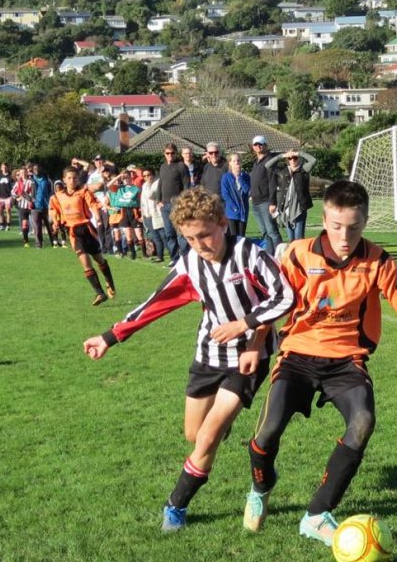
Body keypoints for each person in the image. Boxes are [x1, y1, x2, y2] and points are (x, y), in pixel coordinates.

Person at [243, 180, 397, 544]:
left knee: (363, 421)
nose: (345, 236)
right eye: (337, 226)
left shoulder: (378, 261)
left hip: (347, 362)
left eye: (354, 227)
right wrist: (254, 345)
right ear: (324, 219)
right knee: (267, 431)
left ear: (366, 221)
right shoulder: (297, 254)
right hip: (297, 355)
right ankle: (261, 488)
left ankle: (317, 514)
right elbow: (272, 306)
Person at [83, 189, 295, 532]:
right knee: (194, 434)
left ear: (223, 223)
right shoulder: (190, 265)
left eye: (205, 235)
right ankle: (213, 434)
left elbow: (285, 296)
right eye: (190, 238)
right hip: (207, 355)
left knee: (208, 435)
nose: (200, 244)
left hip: (247, 358)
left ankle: (176, 506)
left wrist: (251, 332)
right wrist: (109, 337)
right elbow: (155, 303)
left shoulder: (249, 255)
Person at [53, 167, 118, 305]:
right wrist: (55, 222)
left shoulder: (83, 192)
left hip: (87, 229)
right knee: (86, 264)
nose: (72, 180)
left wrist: (97, 216)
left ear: (78, 179)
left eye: (75, 178)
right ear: (64, 180)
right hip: (73, 232)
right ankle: (100, 293)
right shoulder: (58, 195)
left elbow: (93, 204)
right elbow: (54, 209)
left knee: (99, 260)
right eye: (69, 178)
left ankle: (109, 282)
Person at [249, 135, 282, 254]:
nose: (258, 146)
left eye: (260, 144)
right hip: (256, 202)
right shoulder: (256, 162)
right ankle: (269, 255)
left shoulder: (270, 161)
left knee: (272, 231)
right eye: (255, 145)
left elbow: (272, 182)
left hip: (266, 201)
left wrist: (272, 202)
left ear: (265, 145)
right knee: (264, 233)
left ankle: (279, 255)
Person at [158, 144, 191, 263]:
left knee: (180, 232)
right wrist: (158, 200)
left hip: (178, 204)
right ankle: (174, 258)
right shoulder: (162, 167)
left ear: (176, 153)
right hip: (164, 205)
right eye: (167, 153)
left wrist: (184, 202)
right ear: (164, 154)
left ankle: (184, 257)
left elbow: (187, 185)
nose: (170, 155)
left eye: (172, 153)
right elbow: (160, 184)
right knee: (169, 233)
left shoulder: (181, 166)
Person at [276, 150, 312, 241]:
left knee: (299, 238)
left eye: (295, 158)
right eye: (290, 158)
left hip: (299, 209)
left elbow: (313, 160)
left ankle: (299, 255)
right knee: (291, 239)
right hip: (286, 209)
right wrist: (283, 155)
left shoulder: (303, 169)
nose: (292, 160)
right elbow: (268, 165)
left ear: (298, 159)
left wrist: (299, 153)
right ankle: (292, 255)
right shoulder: (284, 171)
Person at [221, 152, 251, 239]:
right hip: (232, 211)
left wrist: (239, 177)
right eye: (234, 161)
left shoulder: (245, 176)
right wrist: (233, 206)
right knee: (233, 236)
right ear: (230, 162)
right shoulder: (226, 177)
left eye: (238, 161)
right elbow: (225, 194)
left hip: (243, 210)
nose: (236, 163)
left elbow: (247, 190)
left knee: (241, 236)